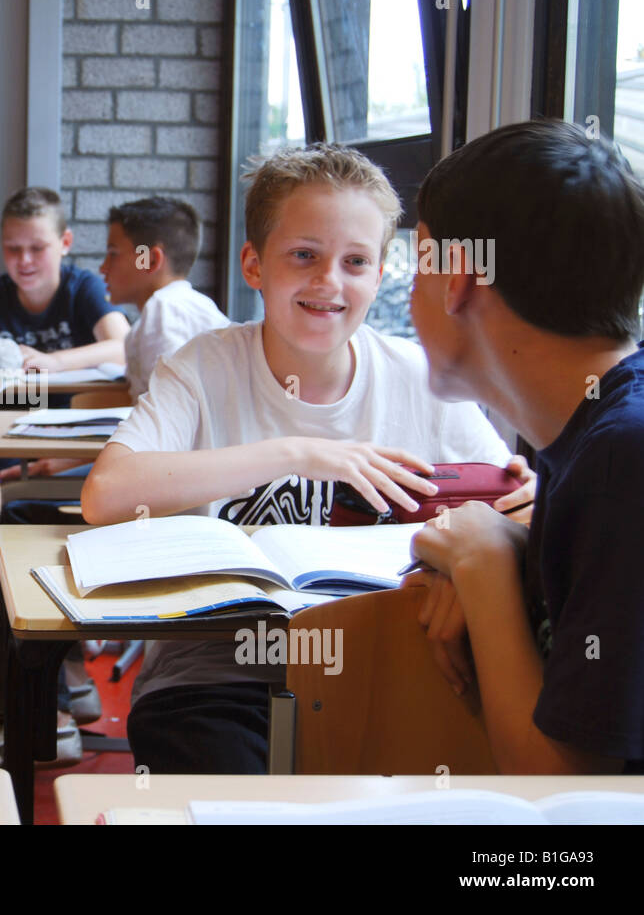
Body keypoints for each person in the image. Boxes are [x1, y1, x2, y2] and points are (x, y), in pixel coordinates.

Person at [81, 143, 533, 773]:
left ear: (379, 275)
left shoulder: (421, 378)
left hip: (389, 665)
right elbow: (106, 495)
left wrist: (498, 538)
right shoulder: (204, 366)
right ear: (254, 264)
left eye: (355, 262)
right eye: (303, 256)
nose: (329, 283)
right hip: (218, 673)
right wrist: (297, 452)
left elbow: (512, 507)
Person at [407, 118, 644, 773]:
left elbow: (561, 803)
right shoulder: (593, 430)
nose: (407, 301)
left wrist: (483, 561)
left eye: (418, 261)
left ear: (458, 277)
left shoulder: (623, 456)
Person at [0, 186, 128, 373]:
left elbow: (124, 348)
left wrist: (55, 361)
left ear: (65, 243)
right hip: (14, 405)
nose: (24, 260)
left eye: (37, 248)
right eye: (13, 248)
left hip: (75, 405)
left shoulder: (84, 288)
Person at [98, 196, 230, 399]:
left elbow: (171, 401)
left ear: (150, 260)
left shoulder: (165, 309)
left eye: (113, 254)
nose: (103, 268)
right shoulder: (183, 305)